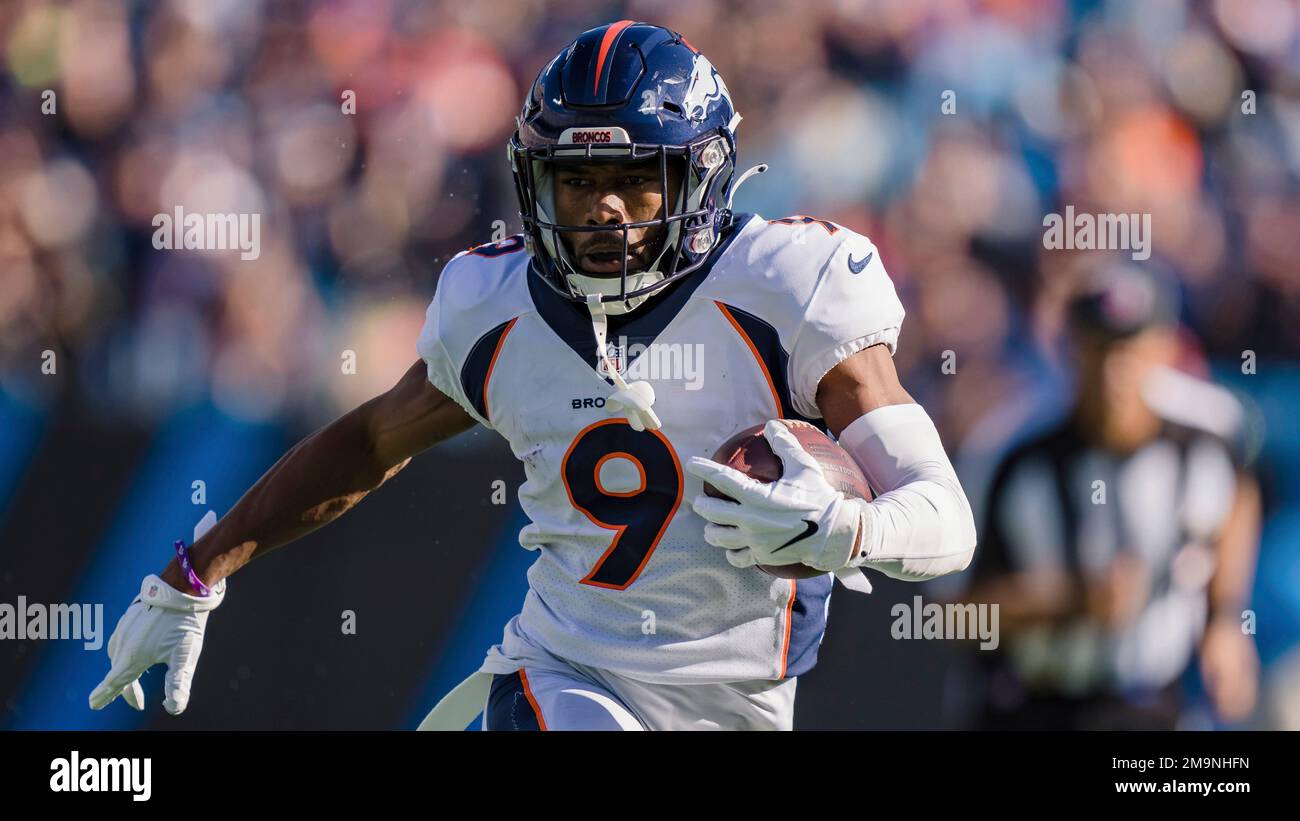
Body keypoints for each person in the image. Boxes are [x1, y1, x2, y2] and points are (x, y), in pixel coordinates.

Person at [89, 21, 976, 731]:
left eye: (635, 179)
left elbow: (946, 520)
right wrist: (196, 569)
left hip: (741, 705)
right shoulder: (497, 304)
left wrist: (847, 531)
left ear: (702, 177)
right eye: (577, 180)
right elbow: (368, 442)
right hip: (566, 681)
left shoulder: (791, 284)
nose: (604, 208)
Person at [959, 264, 1261, 730]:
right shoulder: (1010, 453)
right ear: (1069, 349)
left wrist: (1225, 619)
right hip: (1033, 707)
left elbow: (1238, 498)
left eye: (1131, 350)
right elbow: (952, 612)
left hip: (1154, 705)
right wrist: (1067, 601)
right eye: (1098, 349)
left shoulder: (1208, 433)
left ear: (1166, 349)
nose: (1115, 371)